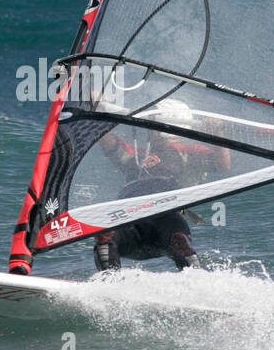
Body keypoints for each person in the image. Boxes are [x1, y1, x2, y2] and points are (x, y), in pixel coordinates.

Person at [92, 98, 230, 272]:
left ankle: (198, 278)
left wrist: (218, 131)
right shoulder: (136, 156)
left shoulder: (188, 153)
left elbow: (222, 164)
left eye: (152, 124)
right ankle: (108, 282)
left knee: (178, 236)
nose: (148, 130)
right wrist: (93, 105)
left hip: (165, 227)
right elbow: (106, 140)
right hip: (130, 225)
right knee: (105, 234)